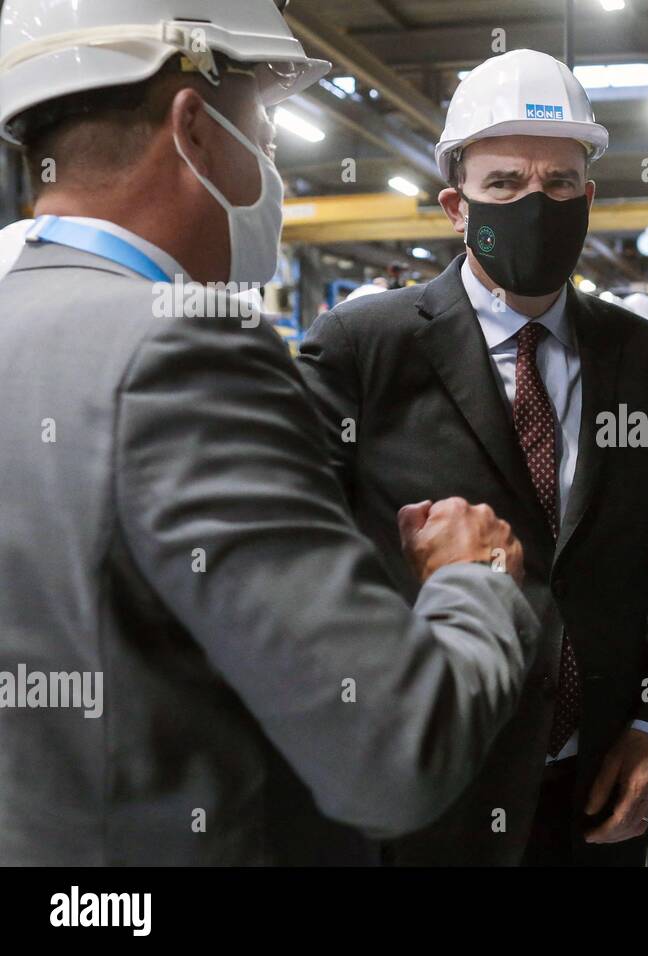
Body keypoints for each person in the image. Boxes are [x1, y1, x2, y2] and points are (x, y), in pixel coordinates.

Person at [0, 0, 538, 865]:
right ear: (196, 131)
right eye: (266, 128)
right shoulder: (185, 344)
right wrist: (469, 581)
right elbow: (396, 754)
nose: (274, 165)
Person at [297, 48, 648, 866]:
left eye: (560, 184)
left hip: (595, 784)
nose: (537, 203)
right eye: (505, 185)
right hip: (433, 787)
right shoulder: (364, 347)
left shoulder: (641, 356)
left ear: (589, 198)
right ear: (457, 206)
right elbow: (301, 563)